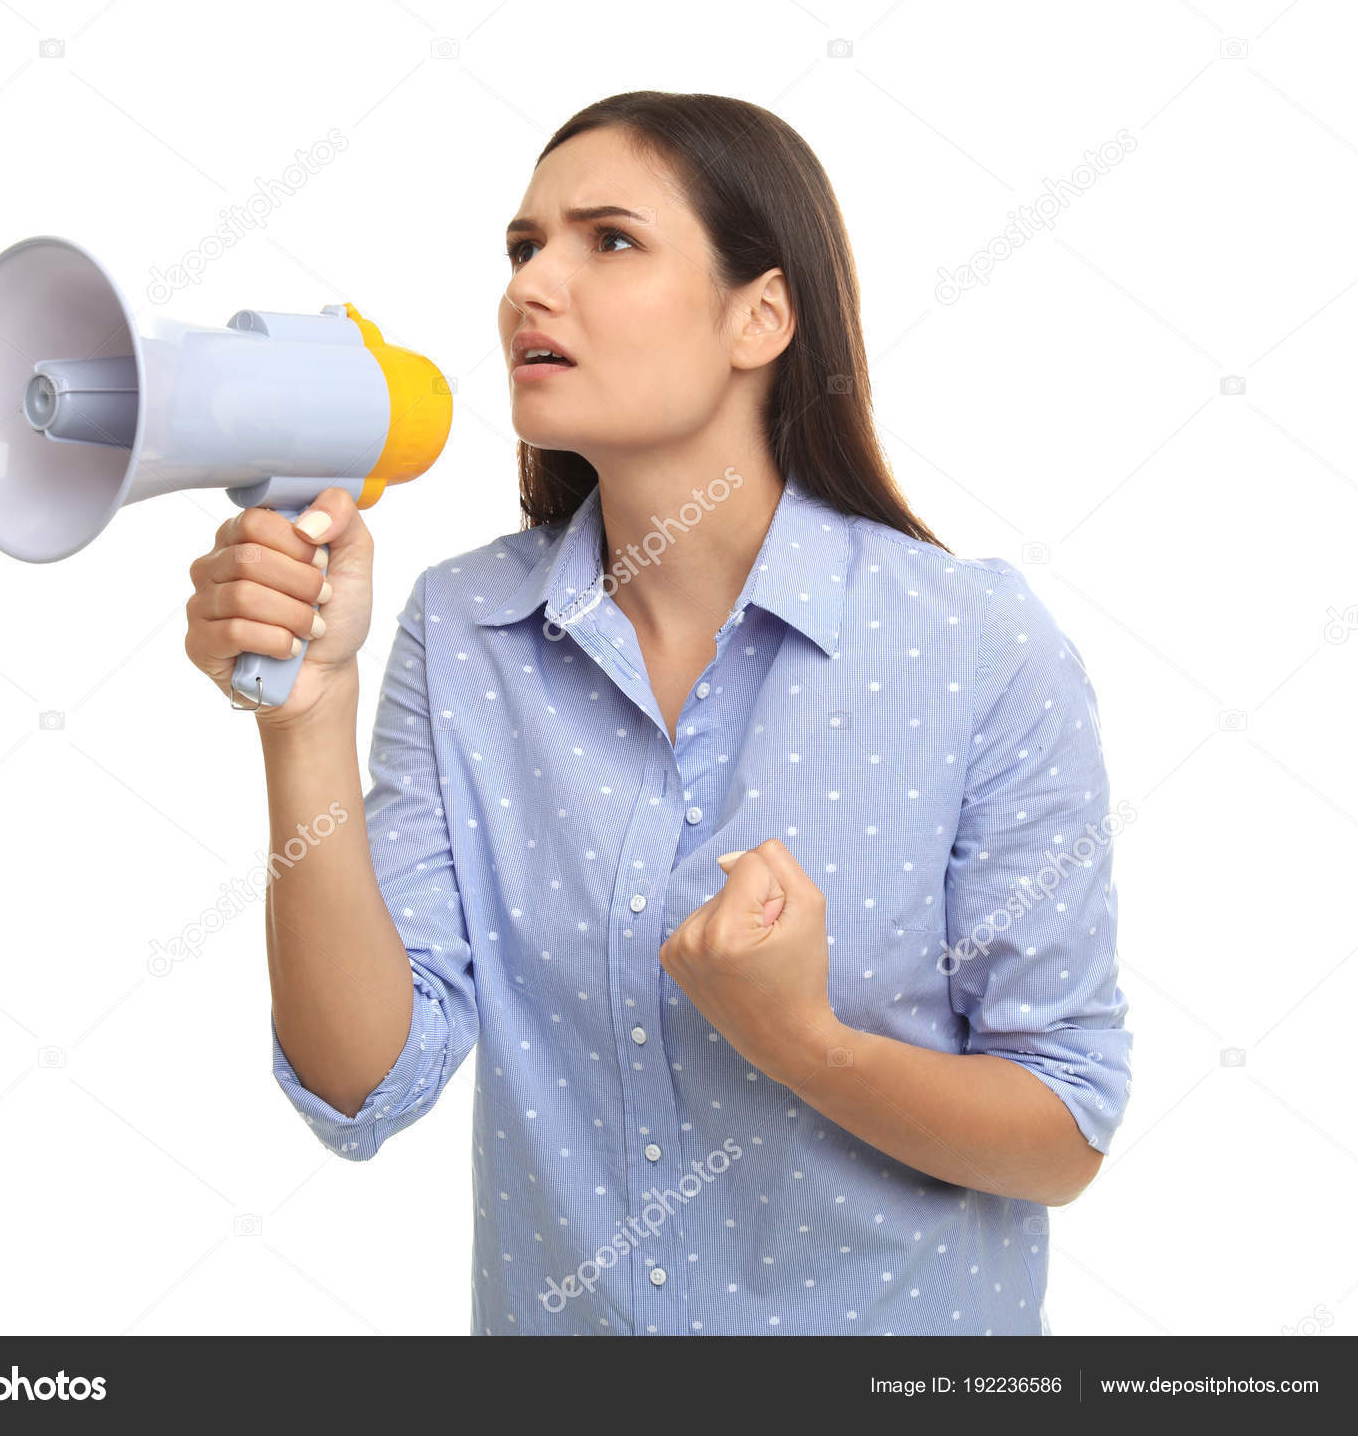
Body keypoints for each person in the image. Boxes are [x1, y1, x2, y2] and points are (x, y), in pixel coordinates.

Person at [182, 90, 1133, 1336]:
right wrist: (305, 717)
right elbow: (365, 1079)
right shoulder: (462, 629)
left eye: (607, 240)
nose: (533, 286)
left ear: (761, 316)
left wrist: (804, 1042)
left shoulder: (974, 646)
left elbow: (1060, 1132)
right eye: (524, 248)